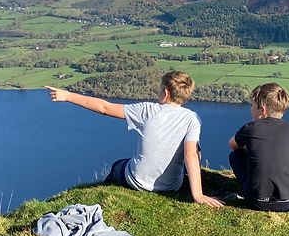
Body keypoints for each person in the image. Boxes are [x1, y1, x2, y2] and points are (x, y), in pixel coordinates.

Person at [44, 71, 224, 208]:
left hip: (137, 181)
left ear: (166, 93)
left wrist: (67, 96)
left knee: (118, 166)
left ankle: (105, 194)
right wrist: (198, 196)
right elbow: (191, 155)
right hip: (172, 186)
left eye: (161, 88)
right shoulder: (192, 118)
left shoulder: (146, 110)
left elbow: (104, 108)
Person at [228, 82, 289, 212]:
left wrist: (253, 148)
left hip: (255, 201)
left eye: (253, 105)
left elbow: (232, 145)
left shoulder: (250, 129)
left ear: (262, 109)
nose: (251, 109)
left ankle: (244, 191)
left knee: (235, 155)